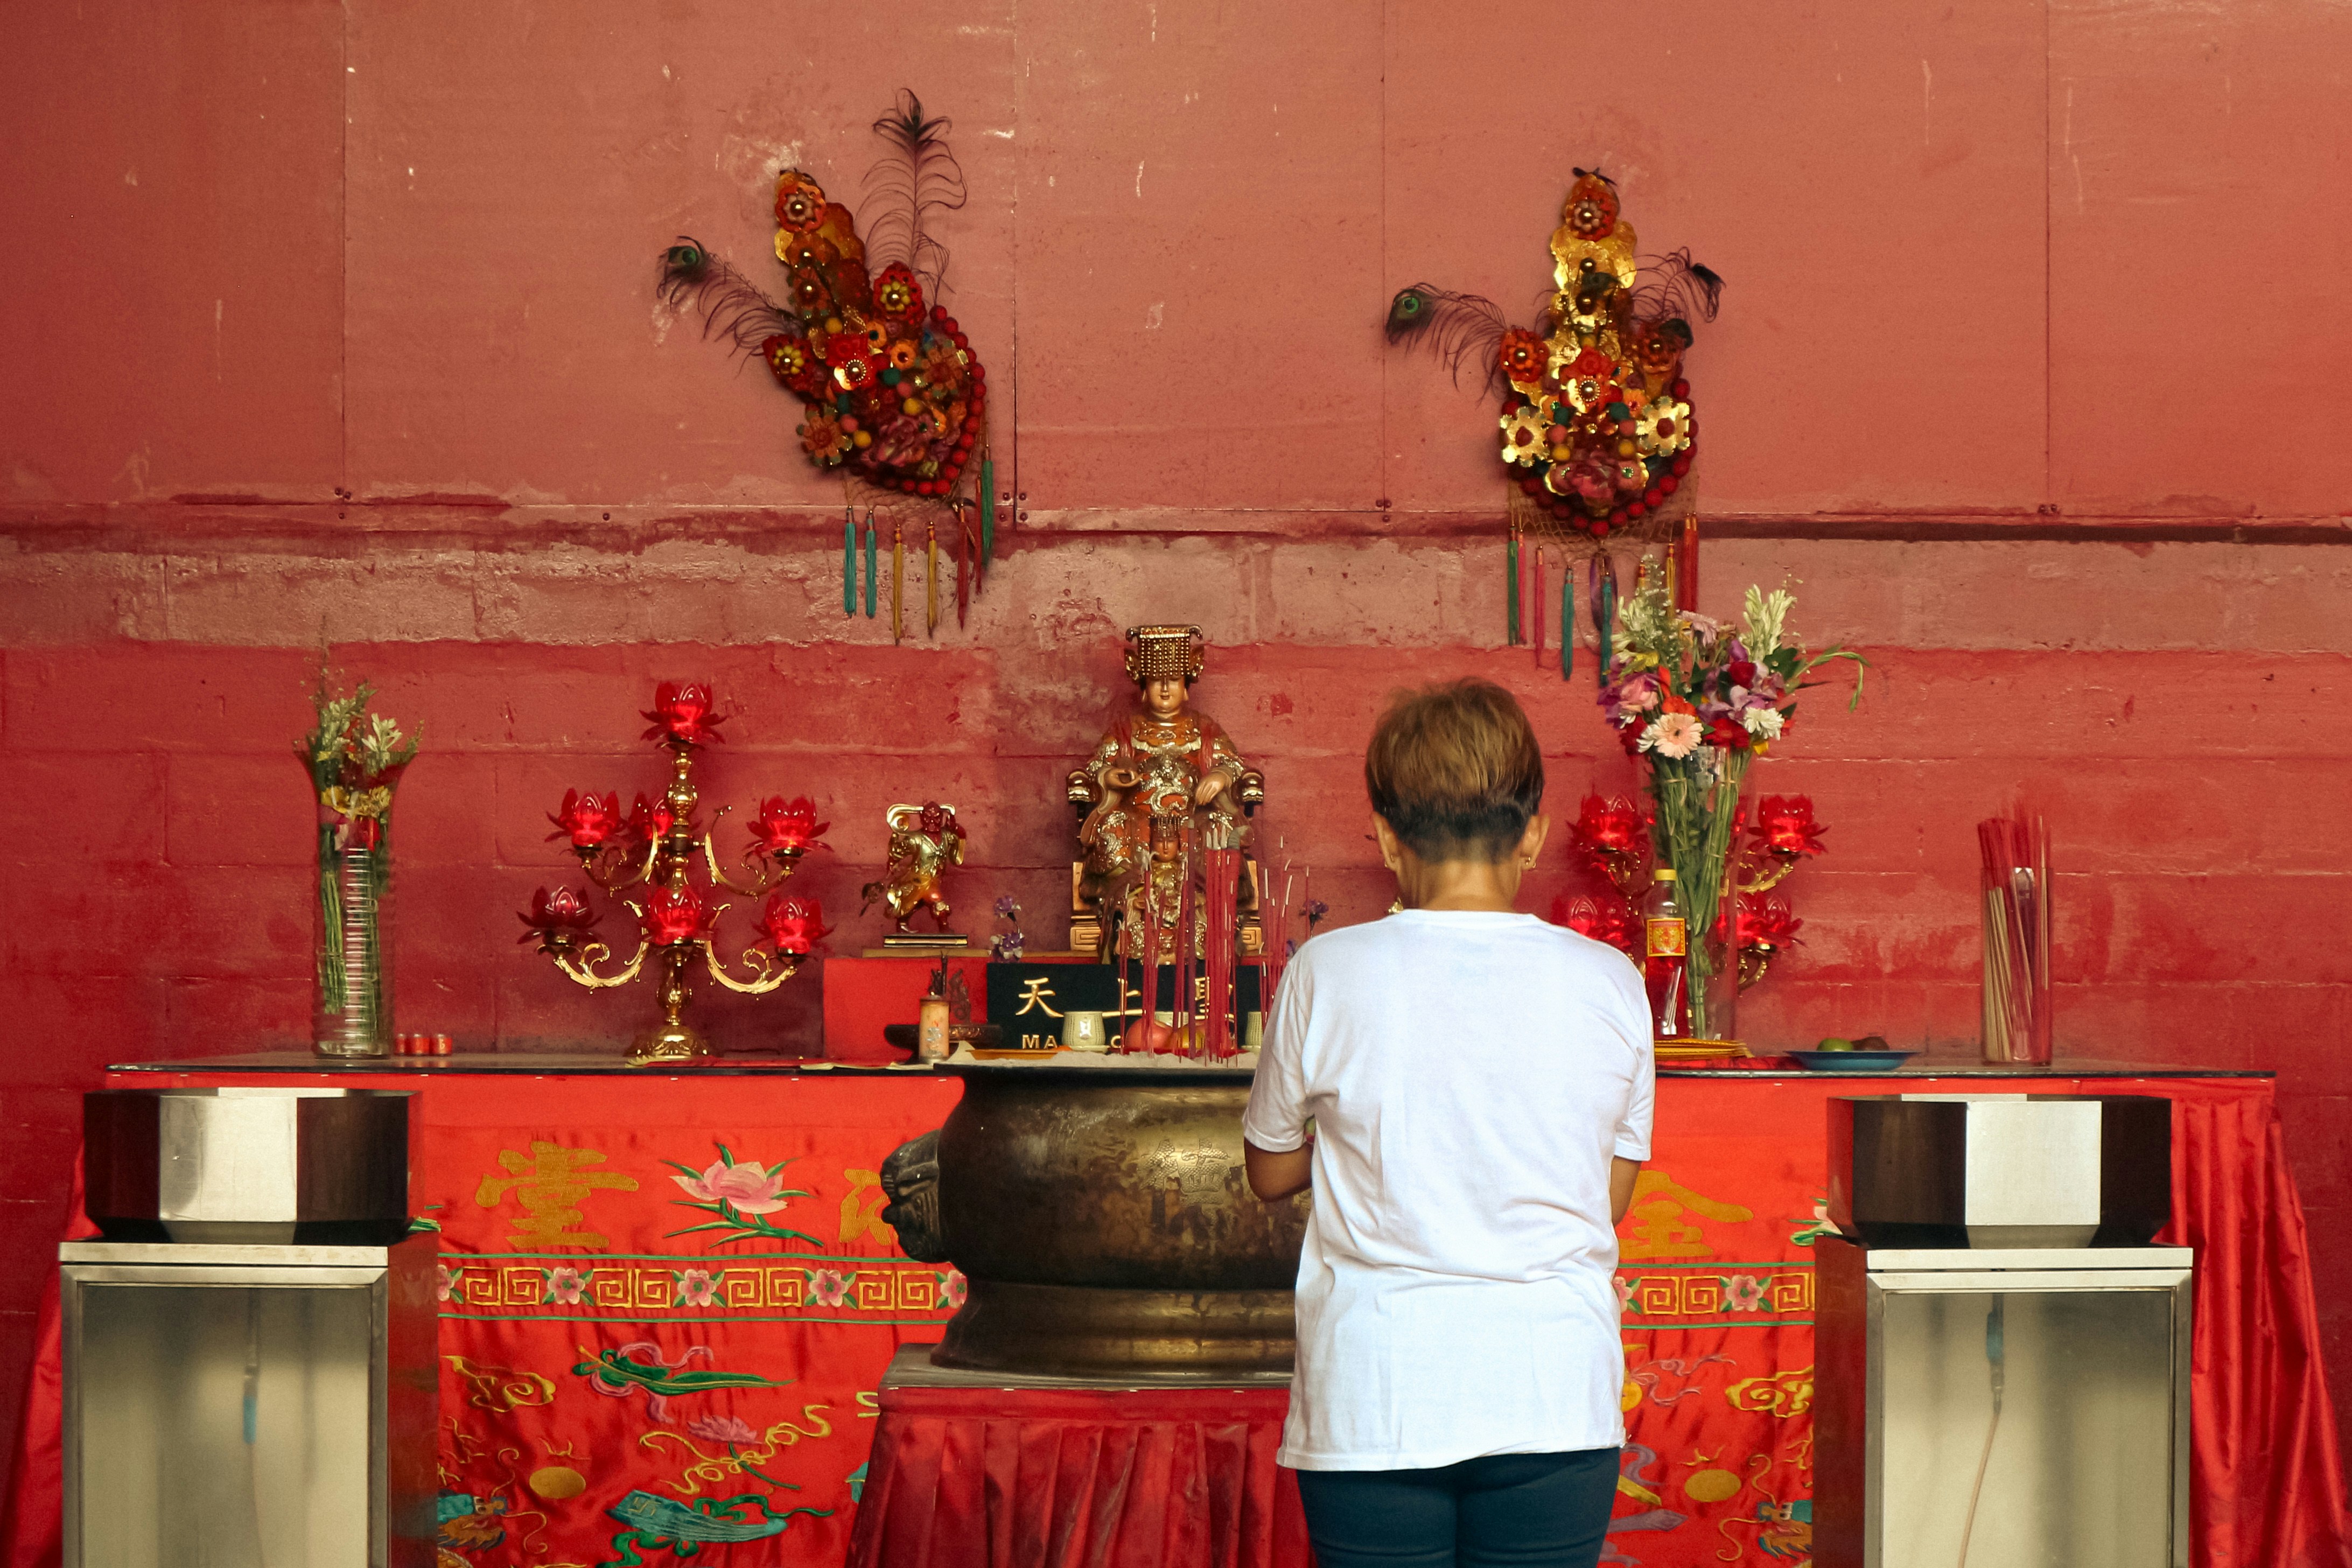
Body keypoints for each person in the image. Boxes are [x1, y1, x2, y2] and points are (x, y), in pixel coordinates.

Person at [1241, 677, 1654, 1568]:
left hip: (1376, 1395)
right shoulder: (1613, 981)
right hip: (1552, 1392)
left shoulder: (1326, 970)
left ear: (1388, 837)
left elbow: (1270, 1169)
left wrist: (1375, 1152)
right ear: (1535, 833)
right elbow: (1604, 1196)